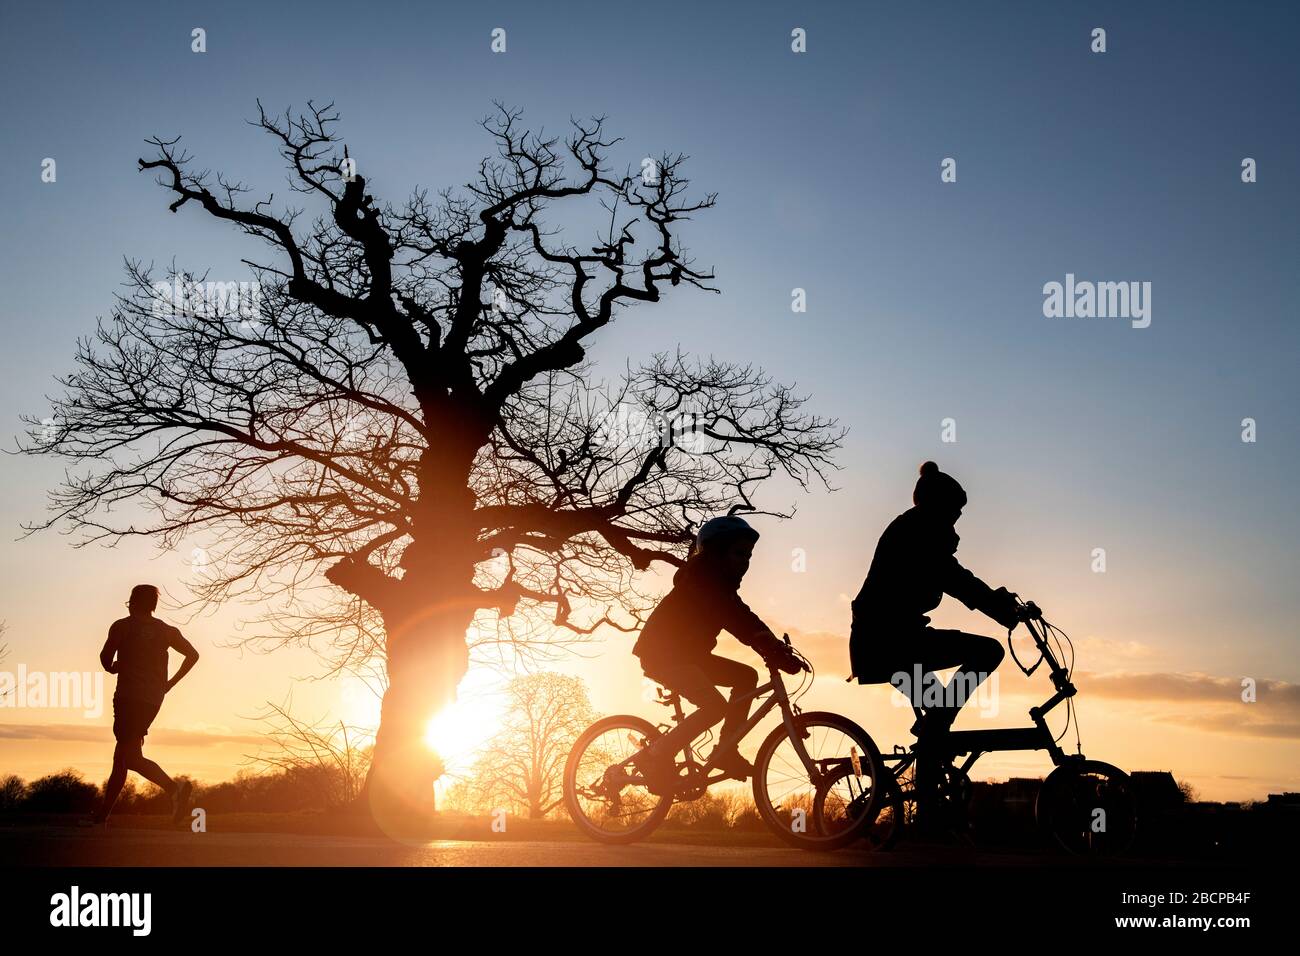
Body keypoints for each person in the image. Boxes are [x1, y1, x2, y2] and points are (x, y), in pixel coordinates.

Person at [849, 462, 1022, 818]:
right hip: (891, 642)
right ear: (938, 505)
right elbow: (954, 578)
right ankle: (930, 796)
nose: (958, 517)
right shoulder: (920, 532)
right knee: (987, 651)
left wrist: (998, 601)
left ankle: (928, 807)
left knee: (935, 726)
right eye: (955, 510)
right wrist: (1000, 609)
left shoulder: (915, 528)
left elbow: (954, 575)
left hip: (891, 641)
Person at [631, 516, 801, 793]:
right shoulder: (699, 581)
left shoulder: (722, 587)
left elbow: (745, 616)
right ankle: (655, 756)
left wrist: (774, 645)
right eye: (739, 553)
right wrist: (765, 645)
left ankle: (726, 749)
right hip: (662, 655)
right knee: (714, 707)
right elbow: (732, 617)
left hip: (690, 657)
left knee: (746, 677)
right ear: (716, 551)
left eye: (748, 555)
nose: (745, 561)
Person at [84, 585, 200, 827]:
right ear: (154, 605)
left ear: (131, 601)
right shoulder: (167, 631)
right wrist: (169, 684)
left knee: (130, 757)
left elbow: (105, 658)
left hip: (128, 698)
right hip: (153, 699)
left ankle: (174, 789)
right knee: (122, 756)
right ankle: (103, 816)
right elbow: (193, 655)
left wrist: (114, 666)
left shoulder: (122, 626)